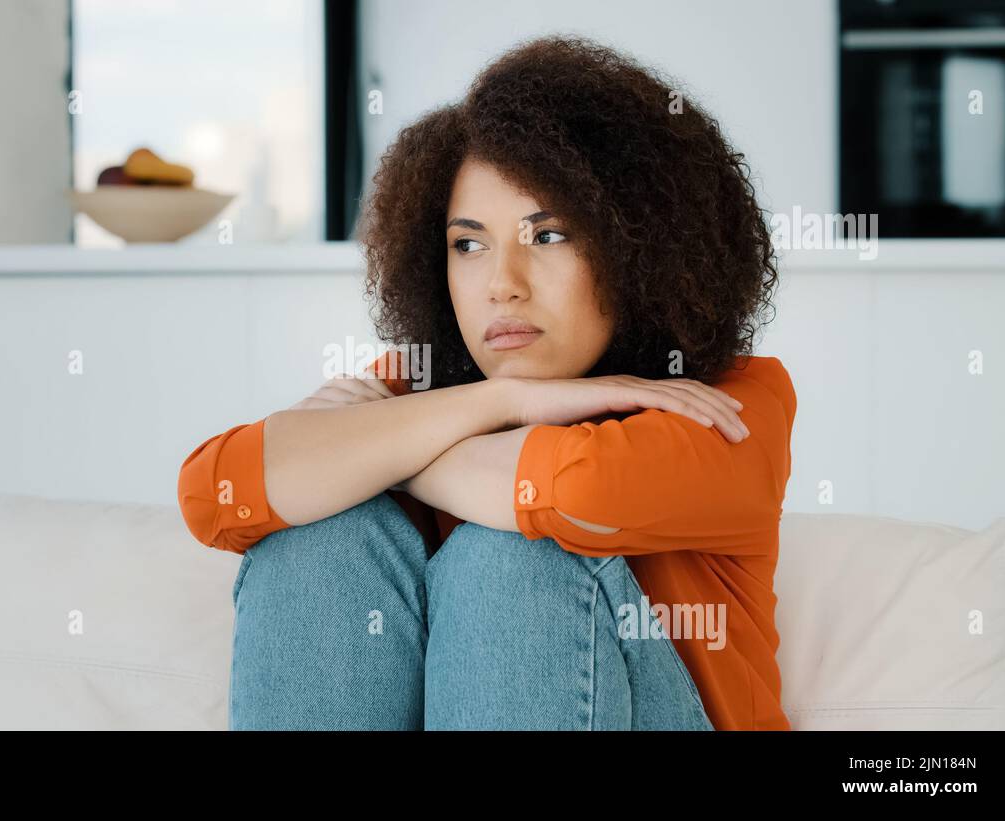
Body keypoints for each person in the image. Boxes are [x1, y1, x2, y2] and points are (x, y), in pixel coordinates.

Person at [177, 34, 796, 730]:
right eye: (468, 244)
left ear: (638, 245)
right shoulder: (434, 388)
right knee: (315, 535)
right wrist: (504, 400)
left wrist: (382, 456)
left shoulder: (728, 401)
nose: (502, 285)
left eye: (549, 235)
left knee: (508, 551)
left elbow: (575, 488)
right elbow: (215, 491)